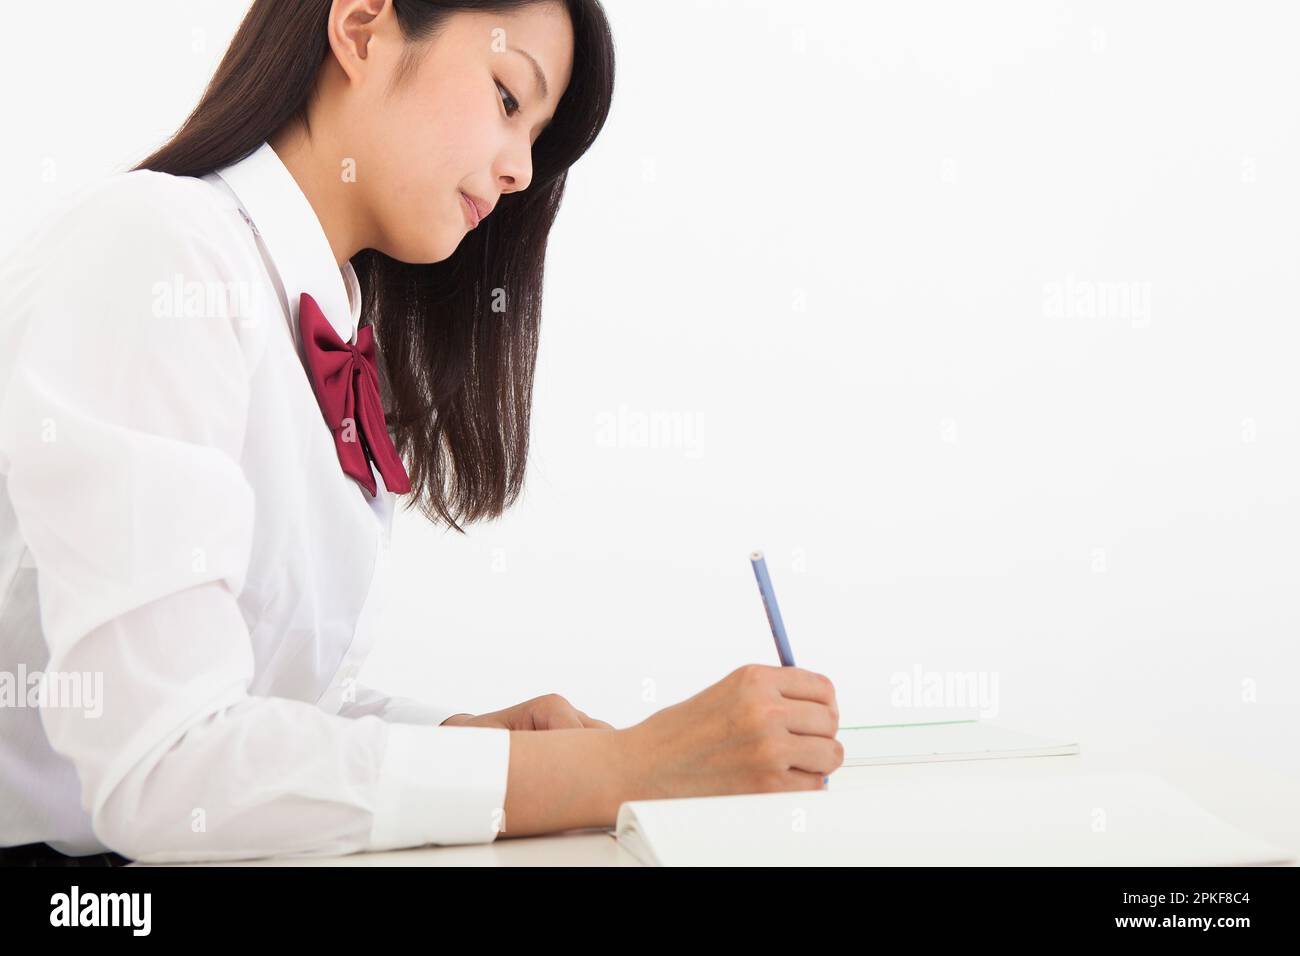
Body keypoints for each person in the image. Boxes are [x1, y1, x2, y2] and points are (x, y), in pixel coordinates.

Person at [0, 0, 842, 866]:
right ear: (362, 28)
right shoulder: (159, 252)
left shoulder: (322, 319)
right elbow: (167, 770)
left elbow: (258, 712)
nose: (519, 170)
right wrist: (617, 767)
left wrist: (478, 742)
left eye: (536, 138)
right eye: (511, 100)